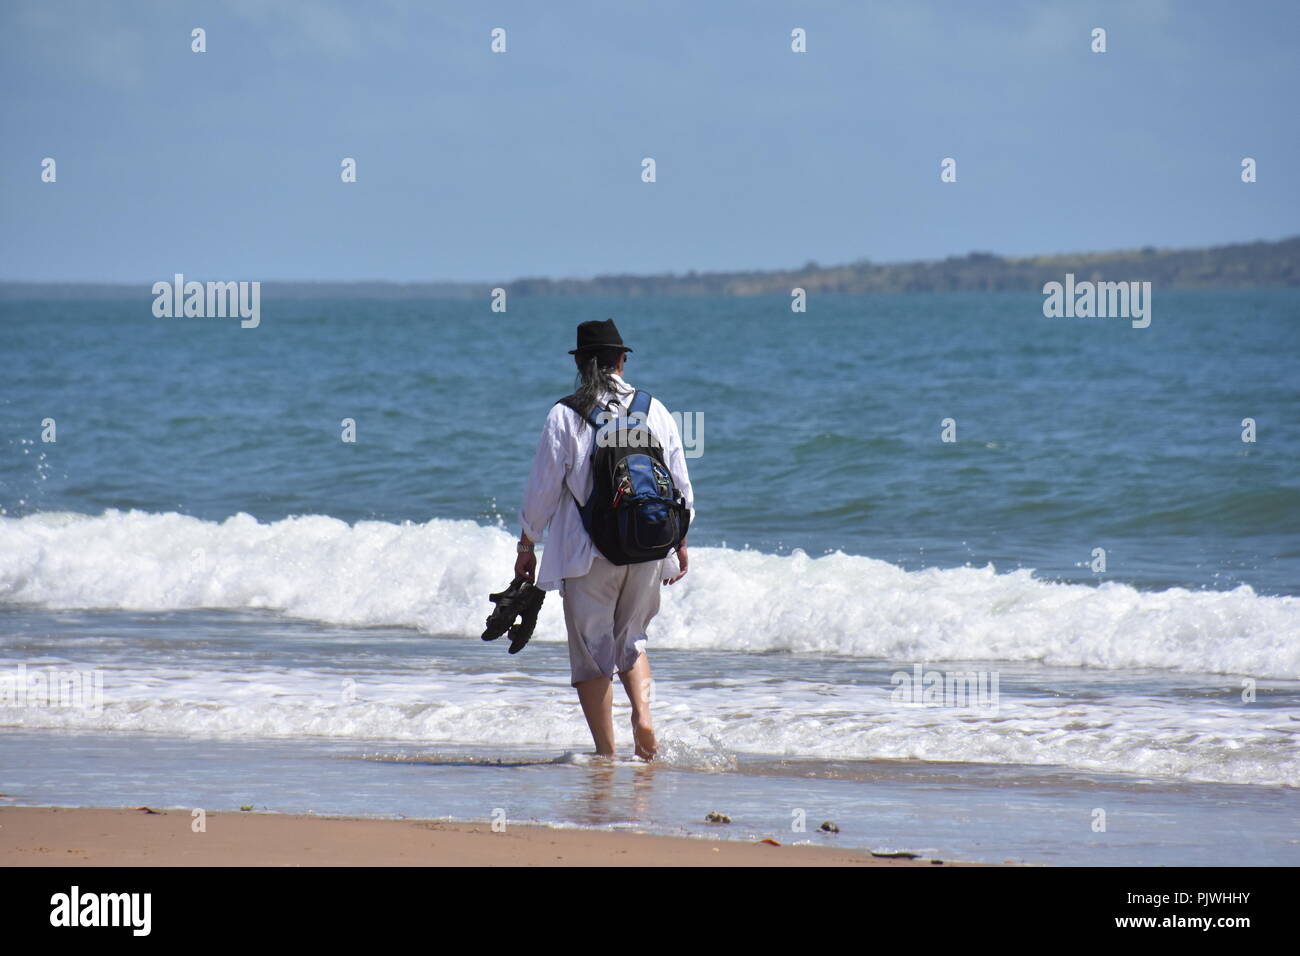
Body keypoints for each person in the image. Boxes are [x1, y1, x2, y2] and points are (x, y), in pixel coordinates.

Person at [515, 318, 693, 760]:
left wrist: (527, 544)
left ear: (581, 365)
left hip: (586, 553)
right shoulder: (656, 409)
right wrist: (679, 542)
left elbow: (542, 489)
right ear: (620, 360)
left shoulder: (565, 414)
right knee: (632, 640)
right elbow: (679, 485)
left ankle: (607, 757)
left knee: (593, 654)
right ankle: (644, 718)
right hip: (648, 546)